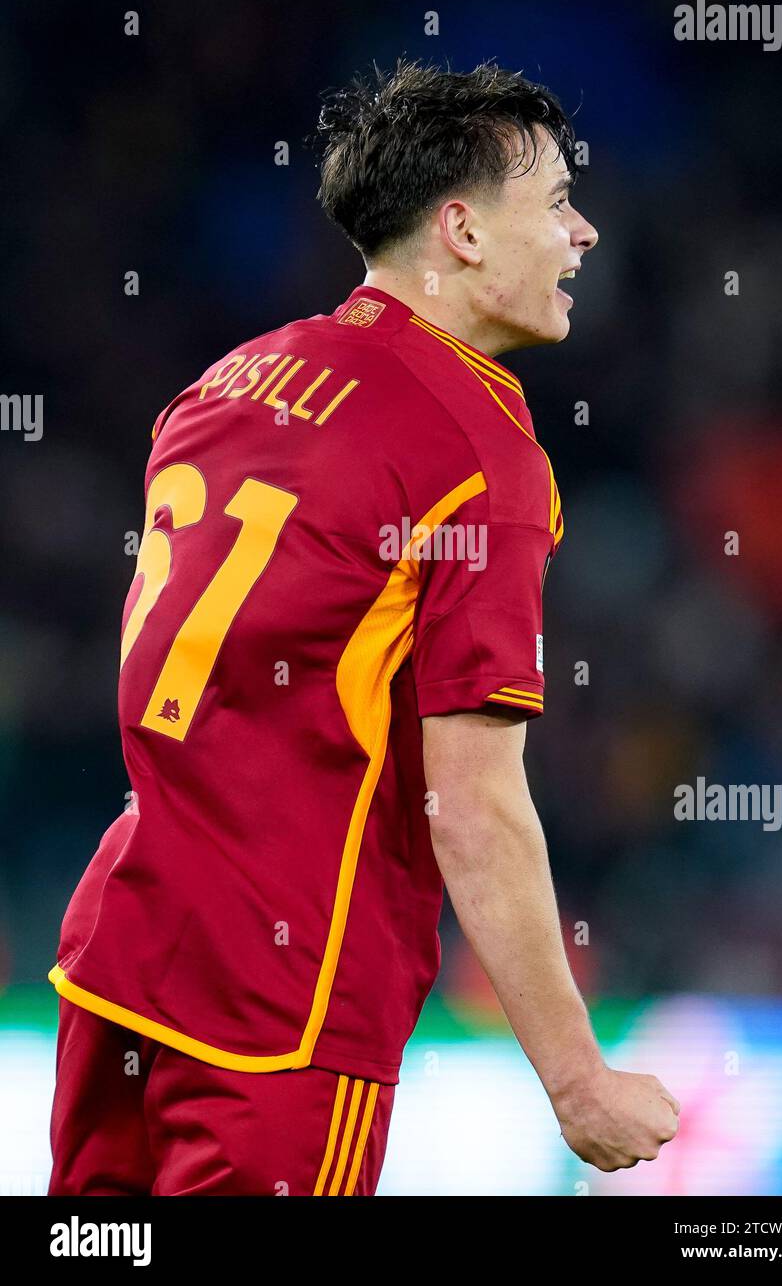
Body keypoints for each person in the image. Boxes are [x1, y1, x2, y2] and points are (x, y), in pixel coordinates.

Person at [48, 59, 678, 1196]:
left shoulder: (230, 379)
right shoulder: (477, 456)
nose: (582, 233)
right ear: (461, 231)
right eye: (553, 203)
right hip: (281, 1008)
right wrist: (577, 1077)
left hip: (120, 963)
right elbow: (473, 805)